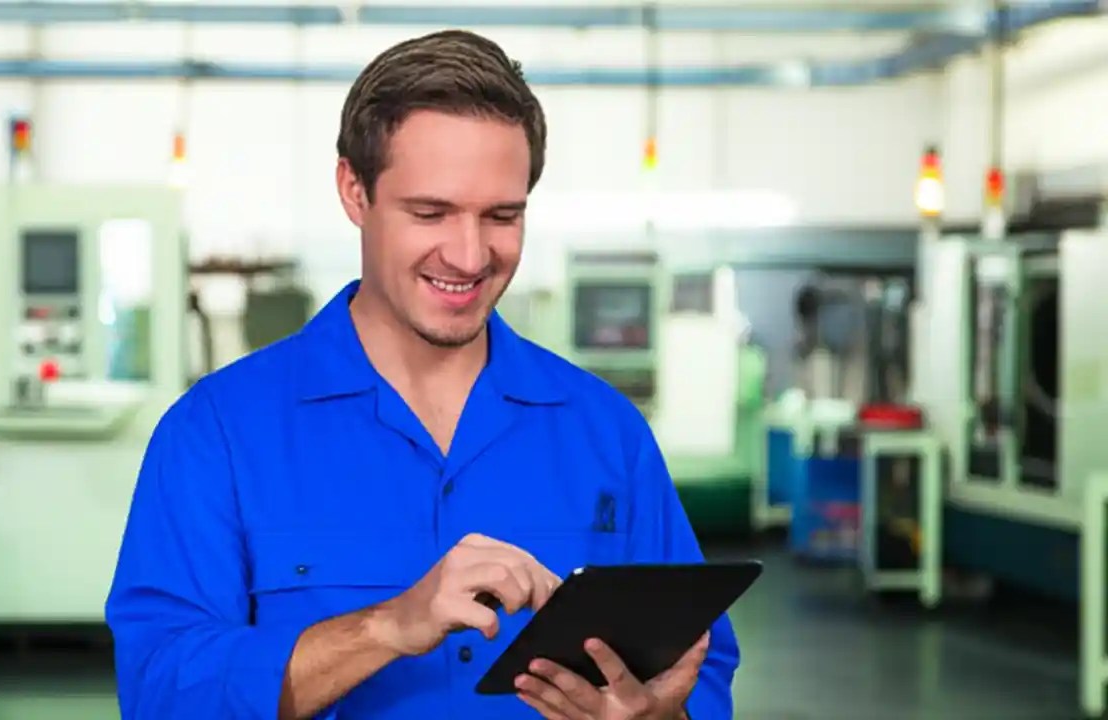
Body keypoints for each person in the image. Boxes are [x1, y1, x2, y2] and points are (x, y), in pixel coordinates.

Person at [106, 29, 740, 720]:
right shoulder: (218, 435)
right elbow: (163, 690)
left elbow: (698, 675)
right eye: (430, 212)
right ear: (354, 190)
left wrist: (656, 718)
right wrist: (386, 627)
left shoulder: (605, 434)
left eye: (502, 216)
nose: (469, 255)